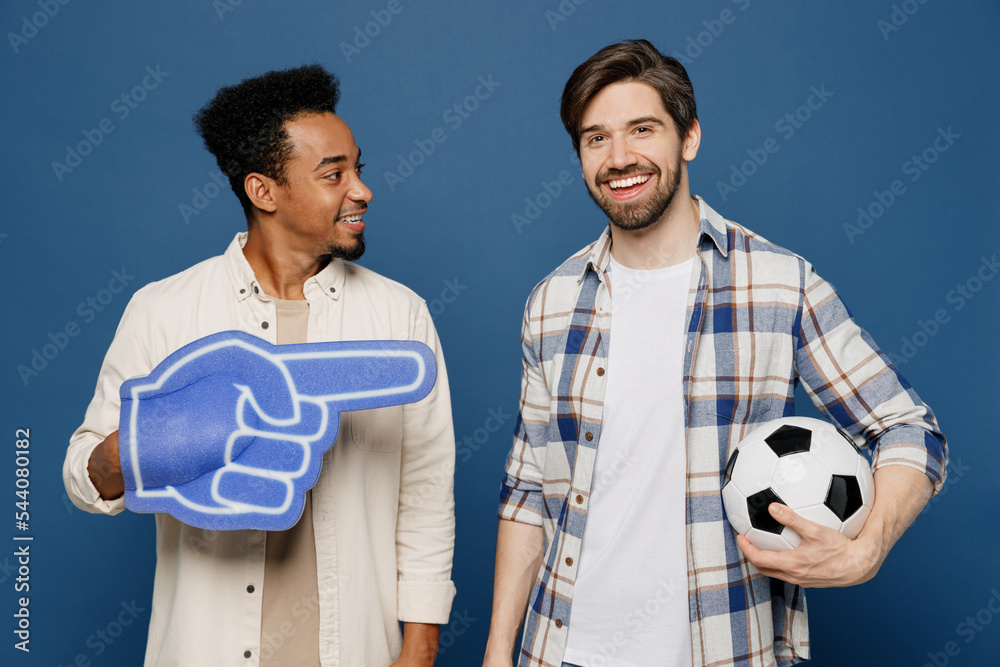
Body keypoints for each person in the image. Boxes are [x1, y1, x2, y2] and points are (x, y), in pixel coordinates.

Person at [483, 40, 947, 667]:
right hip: (560, 651)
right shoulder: (553, 301)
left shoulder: (781, 284)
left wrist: (865, 551)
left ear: (689, 137)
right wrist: (496, 650)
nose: (619, 158)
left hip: (725, 649)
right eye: (596, 139)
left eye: (642, 129)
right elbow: (529, 493)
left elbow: (910, 429)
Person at [63, 64, 456, 667]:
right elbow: (86, 481)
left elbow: (426, 493)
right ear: (263, 191)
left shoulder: (400, 318)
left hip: (351, 651)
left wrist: (420, 648)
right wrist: (156, 440)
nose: (362, 190)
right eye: (334, 174)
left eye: (358, 169)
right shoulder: (163, 310)